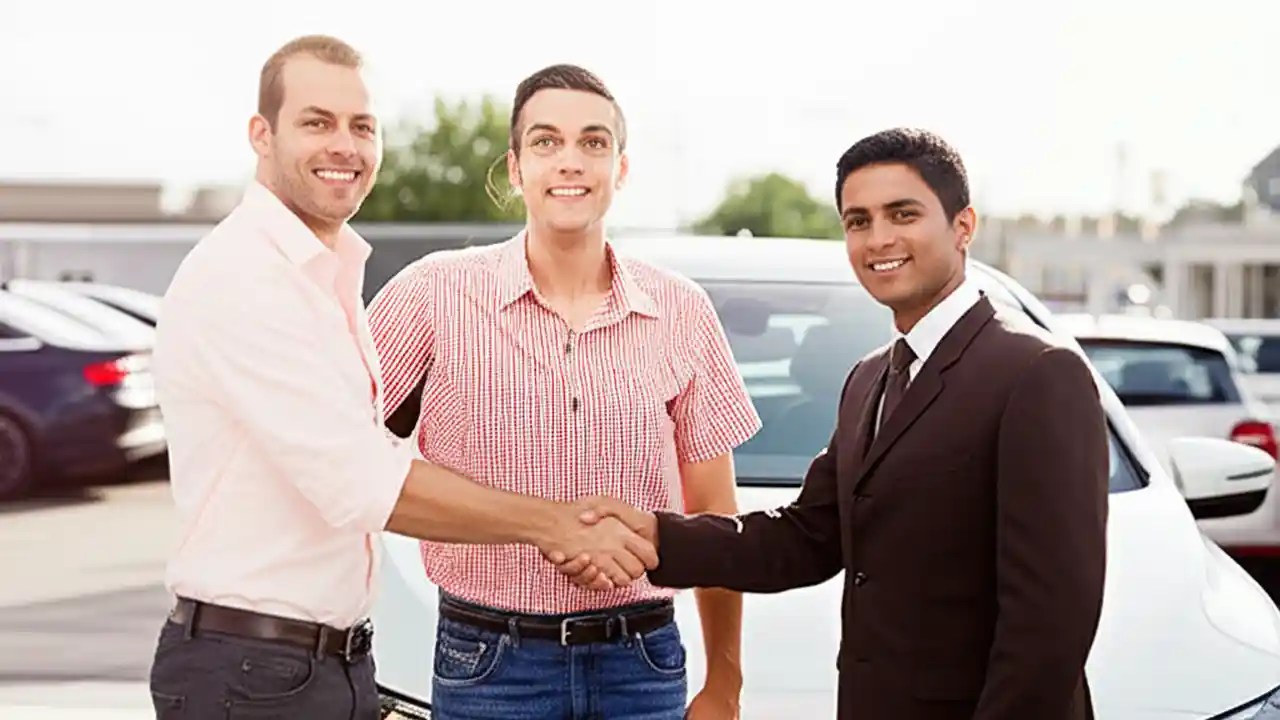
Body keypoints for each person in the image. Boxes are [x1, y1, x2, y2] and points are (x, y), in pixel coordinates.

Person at [147, 37, 655, 720]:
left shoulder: (319, 278)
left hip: (310, 665)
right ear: (261, 135)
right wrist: (555, 525)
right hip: (252, 672)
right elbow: (360, 481)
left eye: (362, 126)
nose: (344, 146)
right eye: (317, 122)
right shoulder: (247, 278)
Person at [567, 128, 1110, 720]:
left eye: (903, 214)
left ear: (963, 226)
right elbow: (807, 537)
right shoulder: (870, 378)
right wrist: (657, 536)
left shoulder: (1037, 372)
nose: (879, 239)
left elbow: (1050, 625)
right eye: (858, 221)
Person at [366, 63, 761, 719]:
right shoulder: (432, 293)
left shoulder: (682, 310)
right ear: (515, 168)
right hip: (489, 664)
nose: (570, 161)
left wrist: (725, 680)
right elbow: (343, 458)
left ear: (620, 169)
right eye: (546, 141)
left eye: (593, 142)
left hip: (643, 665)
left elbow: (714, 512)